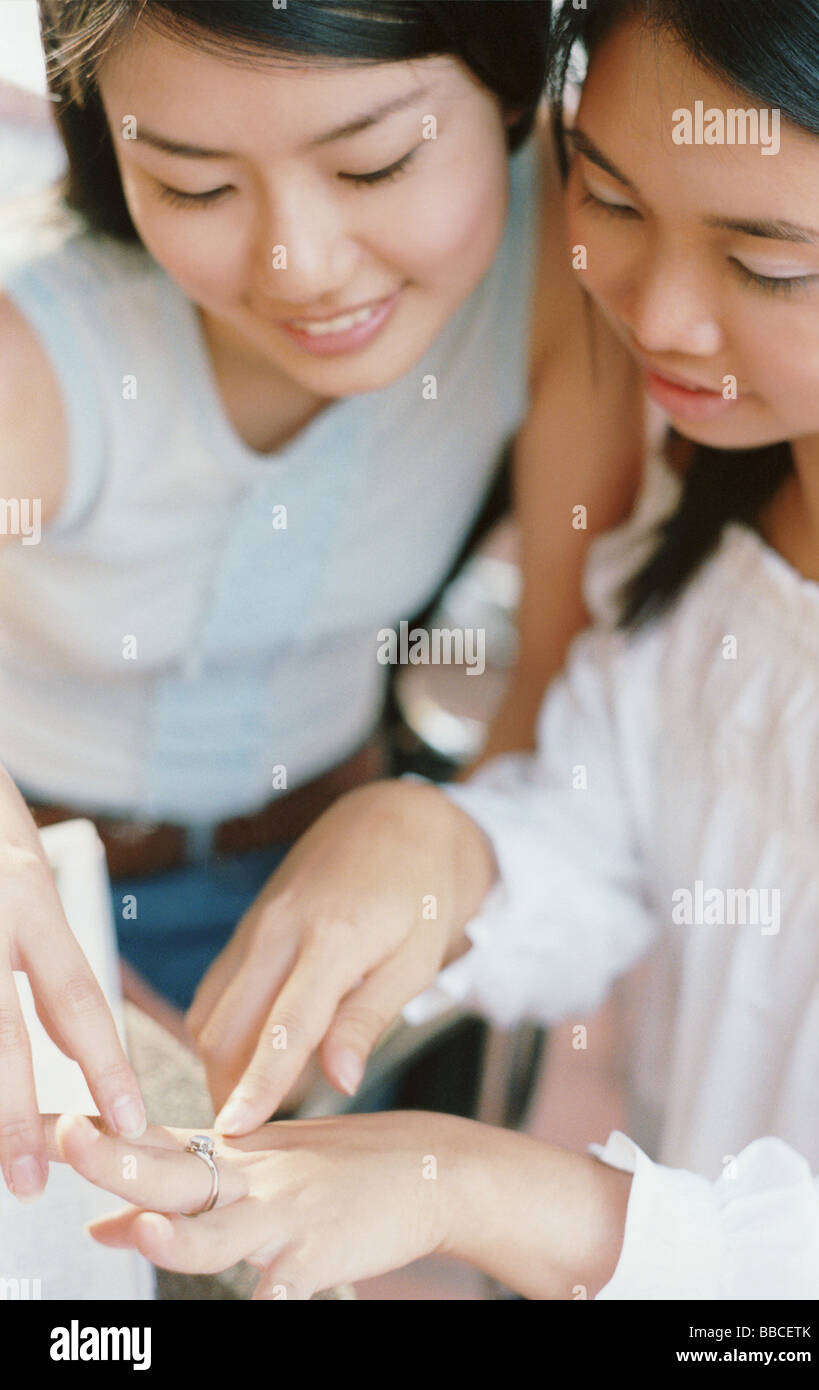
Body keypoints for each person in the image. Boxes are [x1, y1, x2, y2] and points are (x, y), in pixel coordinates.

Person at [51, 0, 819, 1299]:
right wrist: (449, 844)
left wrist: (486, 1188)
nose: (655, 314)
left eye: (768, 265)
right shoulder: (720, 489)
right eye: (609, 199)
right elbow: (621, 827)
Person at [0, 0, 646, 1203]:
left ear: (512, 87)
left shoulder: (563, 259)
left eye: (374, 163)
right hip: (54, 914)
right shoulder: (44, 336)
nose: (299, 264)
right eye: (193, 187)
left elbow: (553, 677)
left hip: (350, 883)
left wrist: (436, 920)